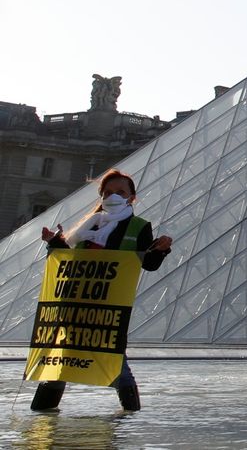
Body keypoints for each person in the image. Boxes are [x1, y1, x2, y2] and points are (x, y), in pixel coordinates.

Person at [32, 168, 173, 412]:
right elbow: (65, 259)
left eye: (120, 192)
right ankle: (42, 419)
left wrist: (160, 248)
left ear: (131, 197)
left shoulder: (139, 227)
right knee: (60, 359)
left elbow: (148, 264)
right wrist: (54, 241)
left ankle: (129, 420)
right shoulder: (85, 227)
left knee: (116, 360)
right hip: (74, 302)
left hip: (108, 308)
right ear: (101, 196)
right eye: (108, 192)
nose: (113, 196)